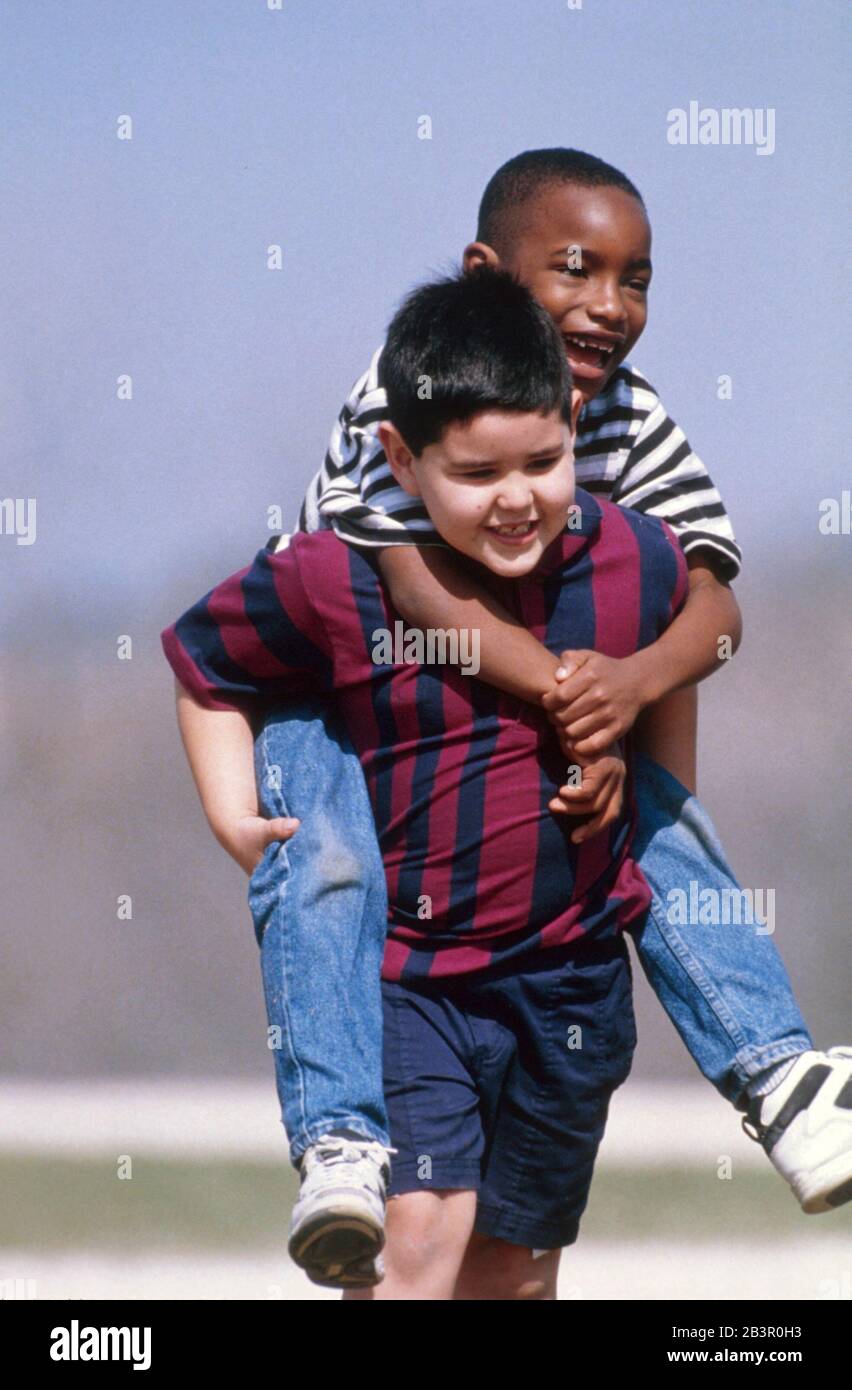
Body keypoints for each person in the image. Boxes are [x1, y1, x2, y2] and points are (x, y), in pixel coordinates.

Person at [167, 149, 852, 1290]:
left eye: (636, 278)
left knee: (522, 1260)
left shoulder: (629, 425)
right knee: (326, 864)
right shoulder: (406, 387)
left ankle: (780, 1072)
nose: (607, 303)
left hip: (558, 772)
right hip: (336, 708)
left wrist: (625, 728)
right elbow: (411, 584)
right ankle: (340, 1135)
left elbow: (702, 607)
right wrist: (566, 692)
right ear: (489, 271)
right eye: (575, 269)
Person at [165, 265, 692, 1299]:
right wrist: (236, 816)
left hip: (570, 979)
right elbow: (202, 664)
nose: (516, 499)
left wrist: (635, 765)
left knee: (517, 1267)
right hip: (415, 979)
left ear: (574, 423)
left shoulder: (632, 557)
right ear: (401, 457)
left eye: (543, 462)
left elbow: (687, 648)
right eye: (476, 473)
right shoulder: (334, 577)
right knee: (416, 1241)